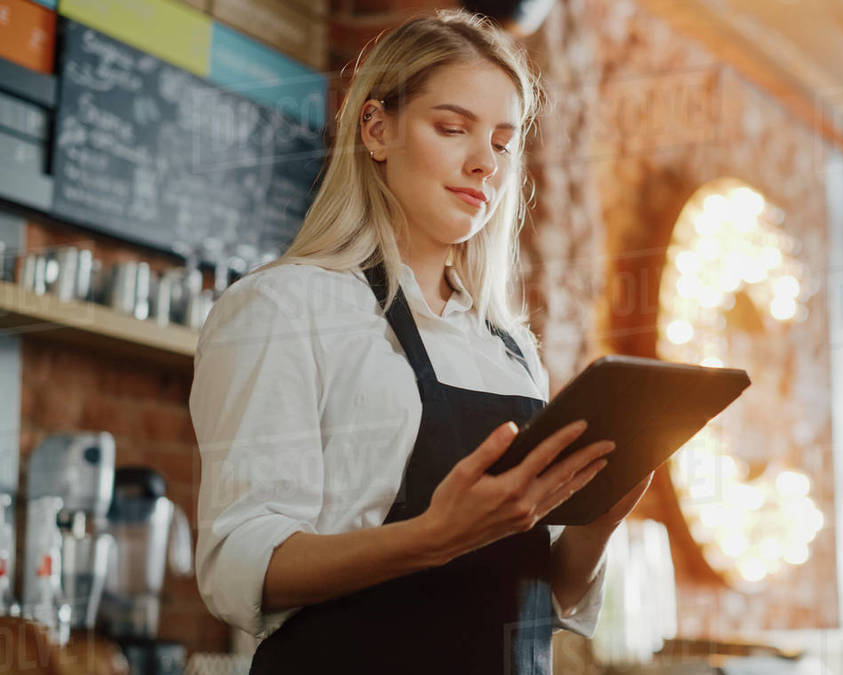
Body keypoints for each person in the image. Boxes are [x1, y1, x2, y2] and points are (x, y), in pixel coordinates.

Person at [190, 10, 652, 673]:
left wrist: (599, 521)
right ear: (376, 129)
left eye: (501, 141)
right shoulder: (285, 306)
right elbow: (238, 564)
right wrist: (432, 538)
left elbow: (540, 598)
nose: (483, 164)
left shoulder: (513, 349)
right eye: (452, 128)